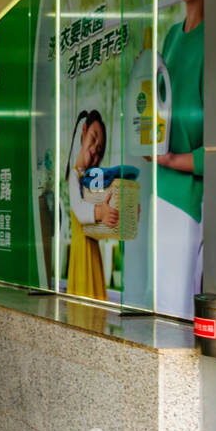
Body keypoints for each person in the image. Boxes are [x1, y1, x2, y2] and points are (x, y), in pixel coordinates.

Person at [152, 0, 205, 319]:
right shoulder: (171, 37)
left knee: (179, 313)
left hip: (190, 198)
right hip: (161, 191)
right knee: (160, 309)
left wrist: (172, 159)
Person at [66, 109, 119, 301]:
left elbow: (108, 203)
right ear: (84, 130)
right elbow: (80, 210)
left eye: (99, 150)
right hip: (81, 257)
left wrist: (123, 211)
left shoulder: (92, 182)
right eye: (93, 138)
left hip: (94, 254)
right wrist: (101, 212)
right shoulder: (74, 176)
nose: (95, 149)